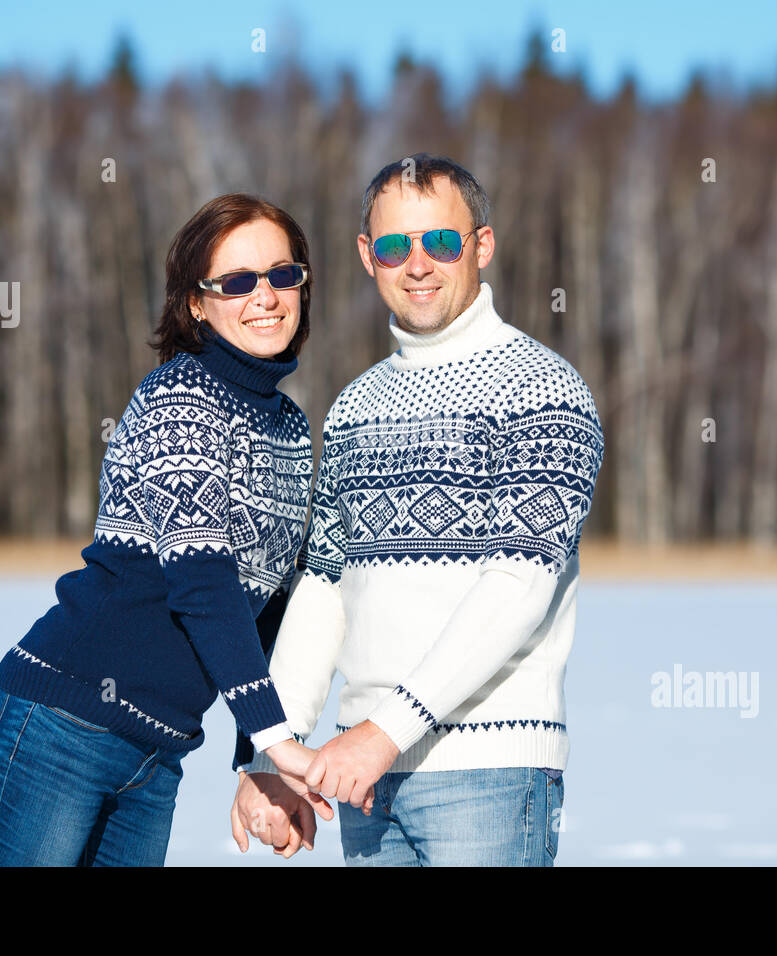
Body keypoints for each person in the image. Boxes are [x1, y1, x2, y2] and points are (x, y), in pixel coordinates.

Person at [231, 154, 605, 866]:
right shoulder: (352, 409)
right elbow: (323, 590)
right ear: (369, 258)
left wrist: (383, 732)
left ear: (481, 246)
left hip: (488, 774)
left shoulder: (544, 390)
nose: (420, 264)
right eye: (397, 246)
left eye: (442, 241)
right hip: (367, 786)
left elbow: (518, 587)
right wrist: (267, 755)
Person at [0, 193, 330, 866]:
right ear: (195, 303)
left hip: (158, 752)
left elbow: (270, 608)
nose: (265, 295)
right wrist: (275, 737)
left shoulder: (290, 428)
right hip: (61, 726)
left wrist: (258, 760)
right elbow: (202, 583)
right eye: (237, 281)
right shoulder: (182, 396)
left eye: (282, 274)